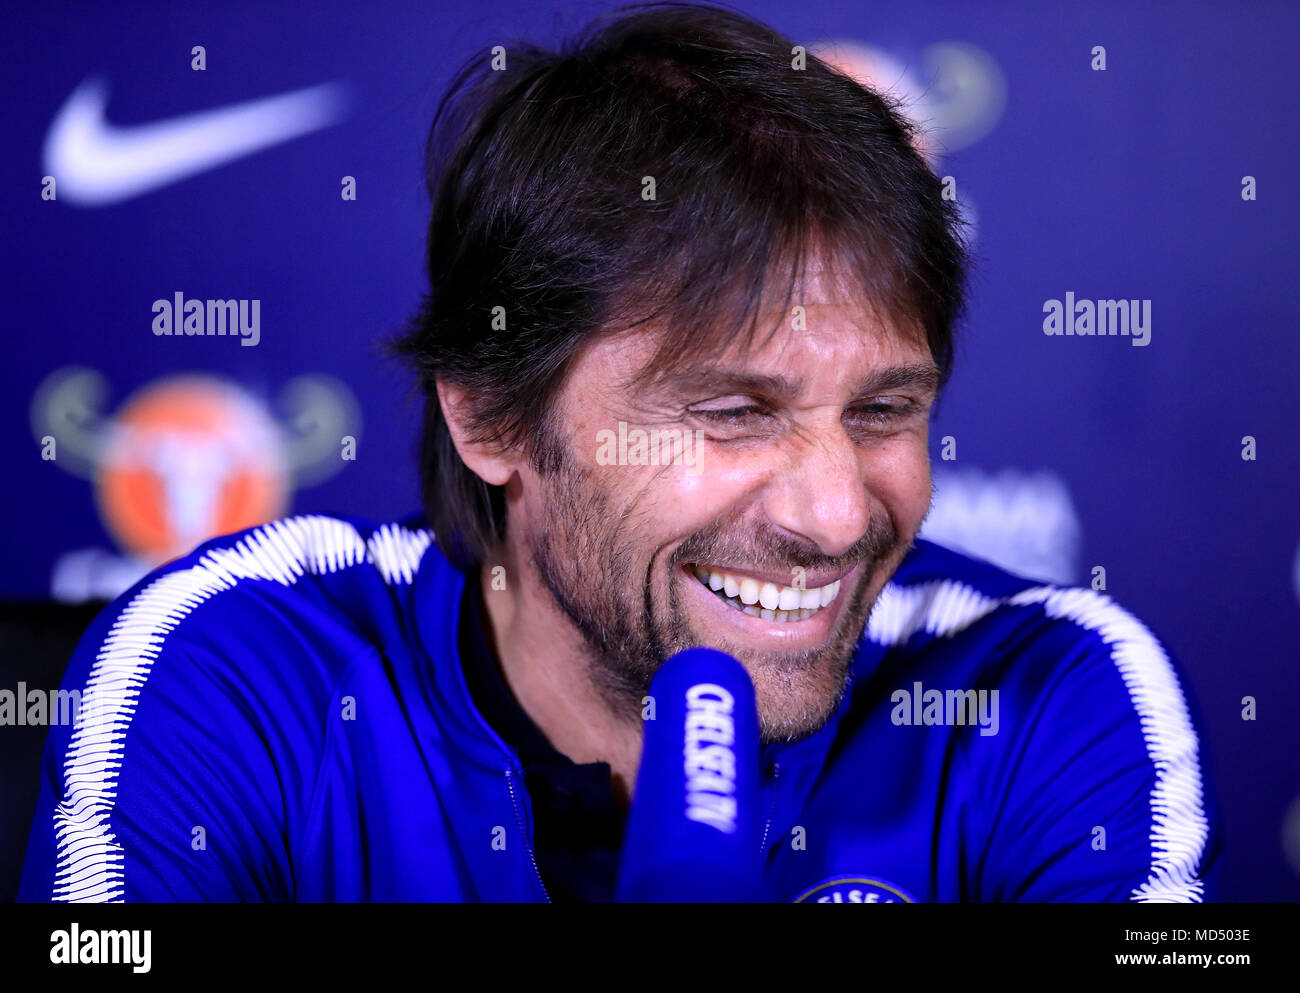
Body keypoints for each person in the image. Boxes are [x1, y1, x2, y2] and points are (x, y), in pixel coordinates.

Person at [20, 1, 1221, 902]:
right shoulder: (239, 672)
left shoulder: (1047, 695)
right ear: (492, 417)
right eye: (732, 412)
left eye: (882, 412)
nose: (837, 515)